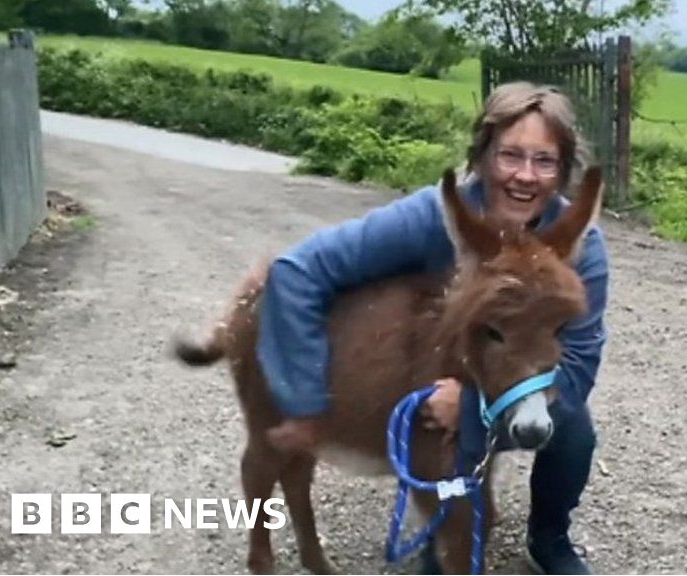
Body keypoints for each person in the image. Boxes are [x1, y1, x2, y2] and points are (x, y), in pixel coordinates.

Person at [256, 81, 610, 575]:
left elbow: (580, 363)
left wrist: (469, 410)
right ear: (482, 157)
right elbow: (297, 271)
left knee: (573, 432)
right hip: (438, 367)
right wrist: (304, 400)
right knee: (437, 422)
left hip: (520, 379)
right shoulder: (433, 214)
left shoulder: (581, 248)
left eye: (544, 161)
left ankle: (549, 537)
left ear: (562, 170)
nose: (525, 176)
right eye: (510, 155)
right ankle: (441, 519)